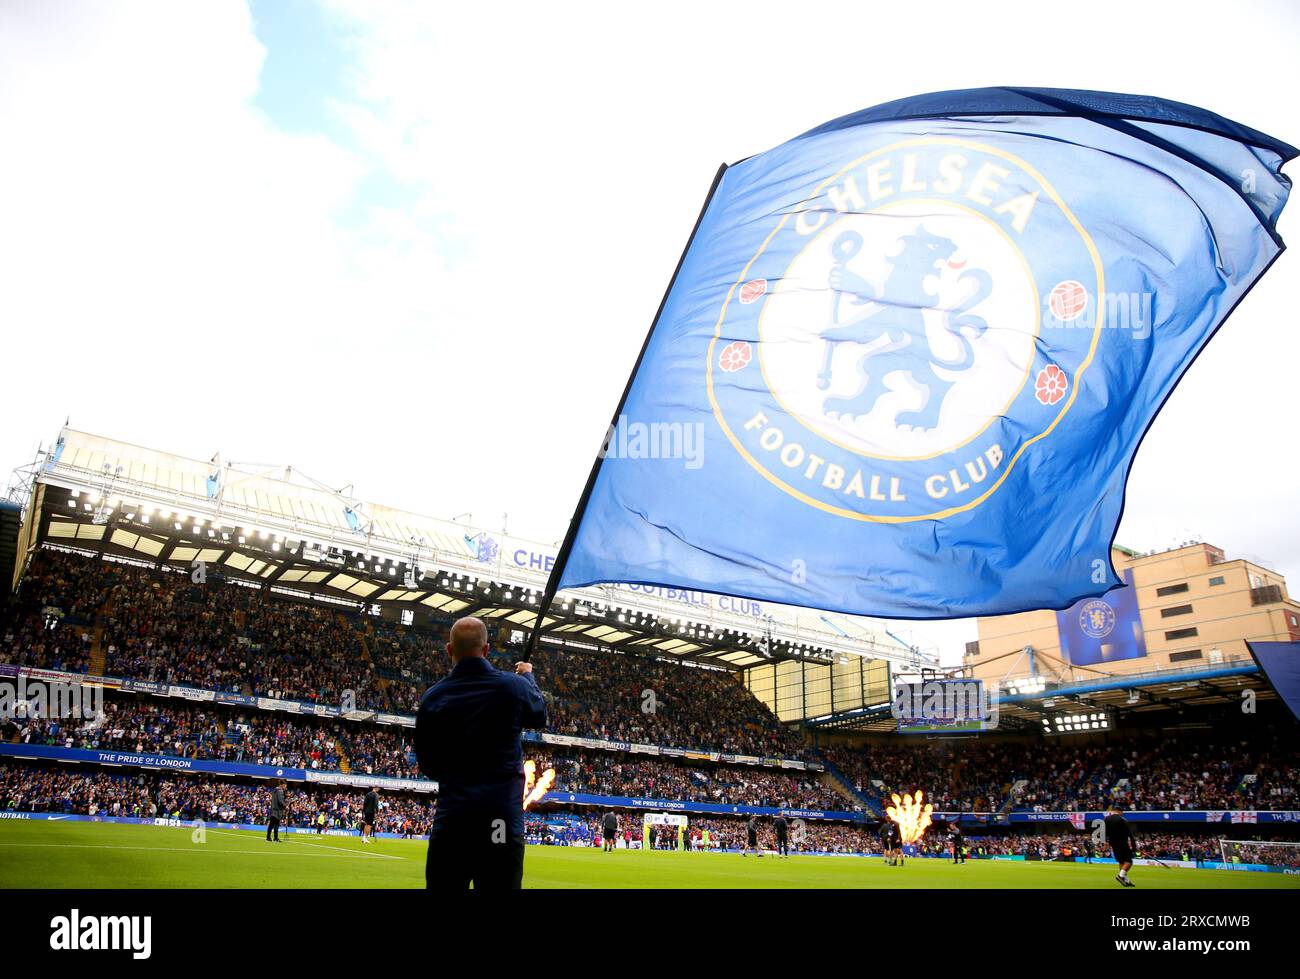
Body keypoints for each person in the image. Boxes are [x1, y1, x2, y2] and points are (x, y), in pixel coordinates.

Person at [415, 616, 547, 890]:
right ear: (486, 649)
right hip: (499, 821)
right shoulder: (513, 686)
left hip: (454, 821)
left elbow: (427, 764)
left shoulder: (434, 697)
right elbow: (538, 715)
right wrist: (528, 675)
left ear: (449, 650)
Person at [1104, 807, 1136, 887]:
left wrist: (1105, 842)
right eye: (1122, 812)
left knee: (1121, 861)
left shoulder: (1106, 819)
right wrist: (1133, 845)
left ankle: (1126, 880)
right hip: (1122, 842)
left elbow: (1103, 832)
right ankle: (1121, 876)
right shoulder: (1122, 820)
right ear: (1119, 811)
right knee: (1129, 861)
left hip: (1113, 843)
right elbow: (1130, 834)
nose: (1122, 814)